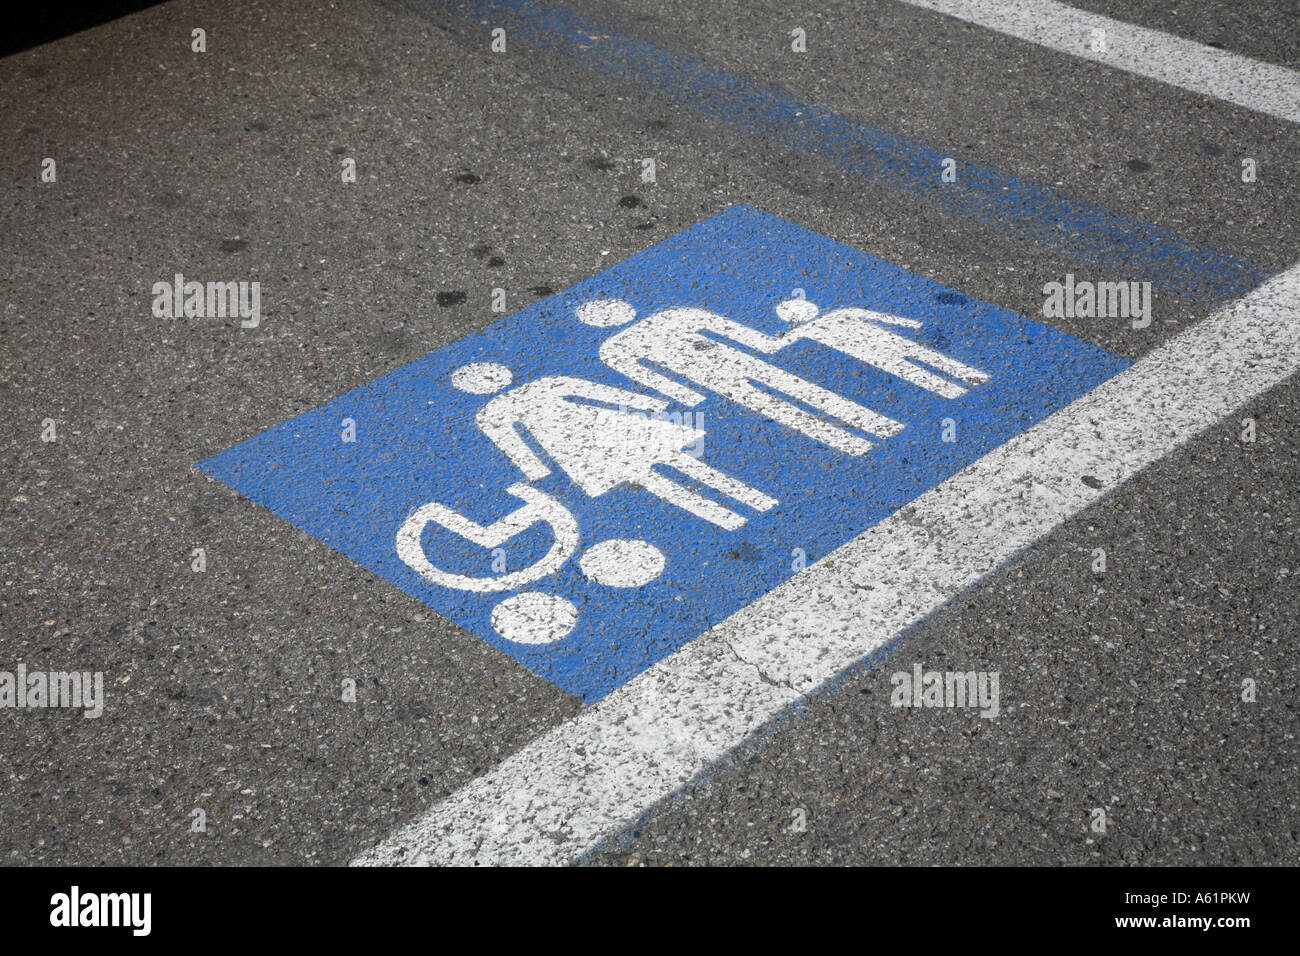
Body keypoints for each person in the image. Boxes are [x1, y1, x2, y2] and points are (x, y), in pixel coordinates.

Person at [453, 363, 776, 531]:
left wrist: (534, 468)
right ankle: (744, 503)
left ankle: (732, 509)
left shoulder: (502, 406)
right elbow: (590, 393)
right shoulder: (504, 406)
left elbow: (588, 391)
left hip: (581, 438)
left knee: (661, 467)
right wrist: (648, 402)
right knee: (662, 467)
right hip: (583, 435)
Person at [580, 299, 902, 457]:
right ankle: (854, 435)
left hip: (732, 363)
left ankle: (866, 427)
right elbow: (644, 373)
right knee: (779, 403)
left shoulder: (665, 320)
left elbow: (722, 328)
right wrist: (685, 394)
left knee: (794, 393)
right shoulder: (620, 344)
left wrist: (766, 346)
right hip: (717, 375)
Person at [772, 298, 989, 398]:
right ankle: (966, 376)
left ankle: (950, 388)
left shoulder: (809, 328)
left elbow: (778, 344)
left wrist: (911, 325)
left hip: (877, 352)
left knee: (912, 367)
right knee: (924, 357)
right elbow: (878, 317)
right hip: (887, 343)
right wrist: (911, 324)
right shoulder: (837, 314)